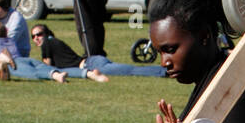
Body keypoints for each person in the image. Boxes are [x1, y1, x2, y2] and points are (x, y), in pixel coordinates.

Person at [32, 23, 166, 79]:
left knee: (130, 71)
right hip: (93, 61)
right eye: (33, 36)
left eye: (39, 34)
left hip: (91, 64)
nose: (36, 38)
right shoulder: (52, 41)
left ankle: (164, 71)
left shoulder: (47, 43)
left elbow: (47, 67)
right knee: (129, 70)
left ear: (46, 33)